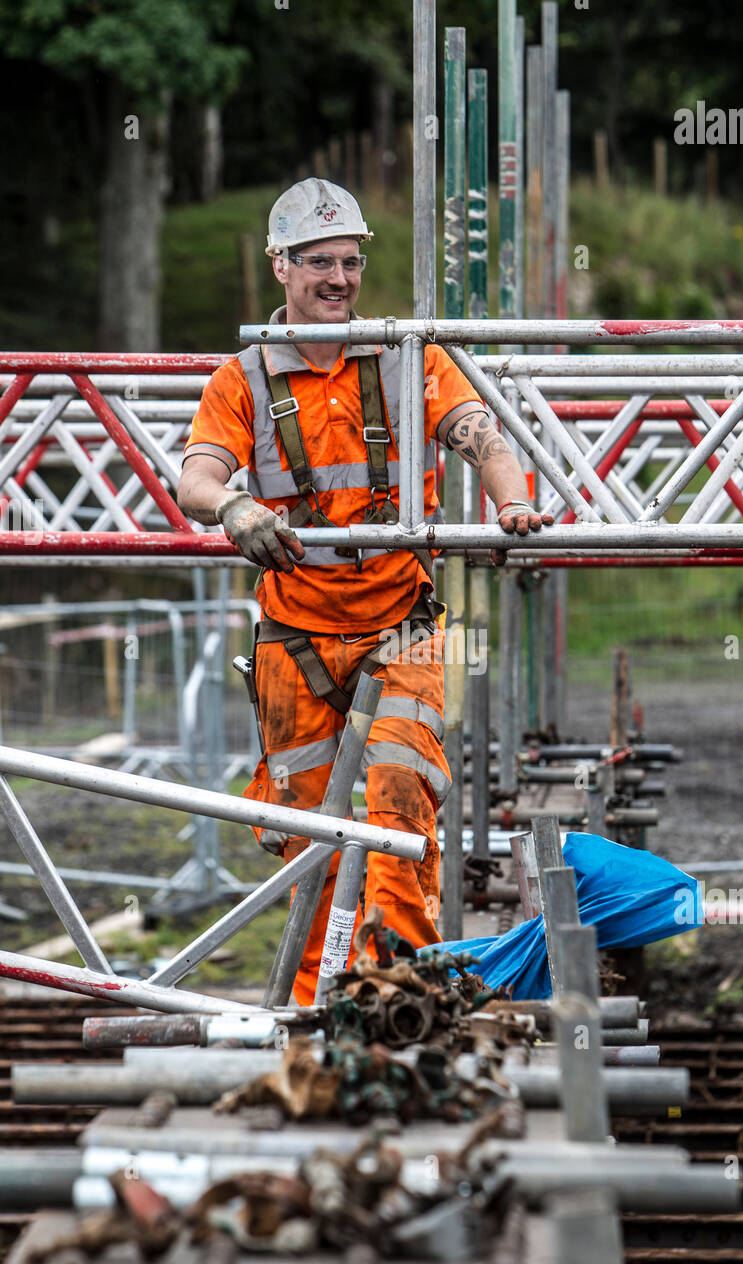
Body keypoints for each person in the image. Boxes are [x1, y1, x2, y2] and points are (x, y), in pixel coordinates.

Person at [176, 178, 552, 1004]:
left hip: (399, 625)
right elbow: (197, 476)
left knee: (395, 797)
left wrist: (511, 499)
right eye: (319, 263)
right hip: (295, 639)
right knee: (307, 825)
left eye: (350, 261)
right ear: (280, 267)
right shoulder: (242, 379)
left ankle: (403, 996)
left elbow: (478, 434)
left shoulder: (403, 358)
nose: (339, 278)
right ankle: (317, 1004)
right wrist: (234, 503)